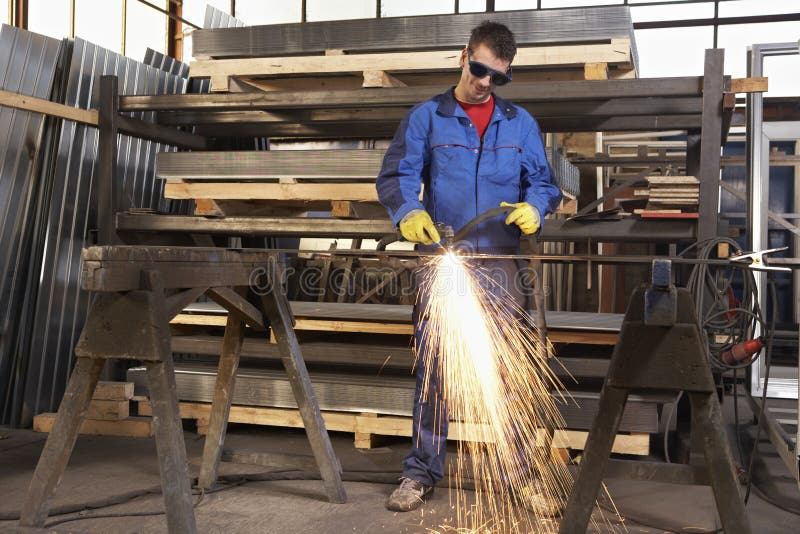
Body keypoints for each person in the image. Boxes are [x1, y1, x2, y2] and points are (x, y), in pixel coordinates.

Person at [376, 21, 563, 513]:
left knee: (507, 369)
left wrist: (537, 207)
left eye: (498, 77)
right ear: (464, 57)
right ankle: (420, 472)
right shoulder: (426, 119)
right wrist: (407, 213)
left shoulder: (519, 123)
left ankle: (519, 474)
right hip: (443, 262)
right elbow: (395, 177)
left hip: (500, 263)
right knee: (435, 367)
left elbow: (544, 183)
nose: (485, 82)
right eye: (479, 70)